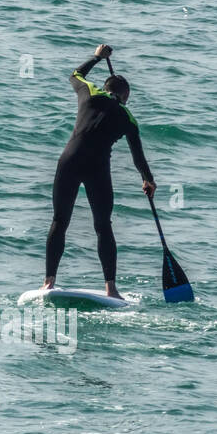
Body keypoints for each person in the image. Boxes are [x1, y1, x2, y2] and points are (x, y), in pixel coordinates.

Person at [44, 44, 156, 299]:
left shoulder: (91, 92)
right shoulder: (128, 117)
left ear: (106, 88)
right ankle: (111, 289)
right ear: (125, 96)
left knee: (59, 221)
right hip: (97, 168)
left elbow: (74, 75)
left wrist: (96, 57)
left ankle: (48, 283)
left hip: (69, 161)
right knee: (103, 227)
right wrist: (148, 180)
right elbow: (138, 156)